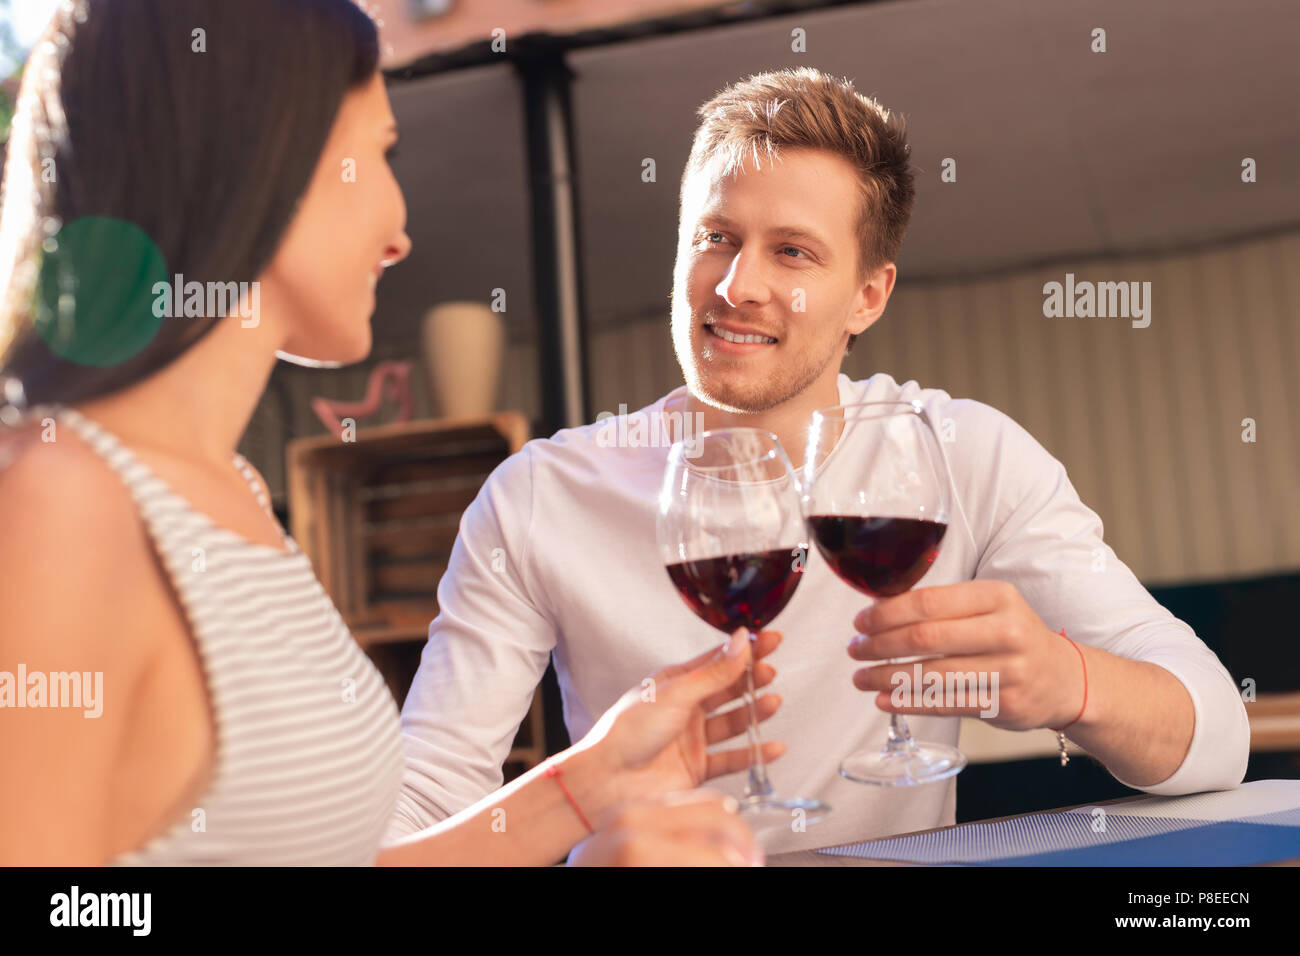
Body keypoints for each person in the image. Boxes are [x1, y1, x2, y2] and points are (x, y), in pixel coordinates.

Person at [0, 0, 783, 867]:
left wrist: (581, 790)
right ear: (270, 159)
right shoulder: (58, 500)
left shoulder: (235, 495)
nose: (400, 233)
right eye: (380, 153)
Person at [390, 67, 1251, 855]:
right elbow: (422, 803)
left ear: (868, 296)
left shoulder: (965, 455)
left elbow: (1217, 734)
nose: (738, 286)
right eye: (716, 237)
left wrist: (1072, 681)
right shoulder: (540, 495)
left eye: (792, 251)